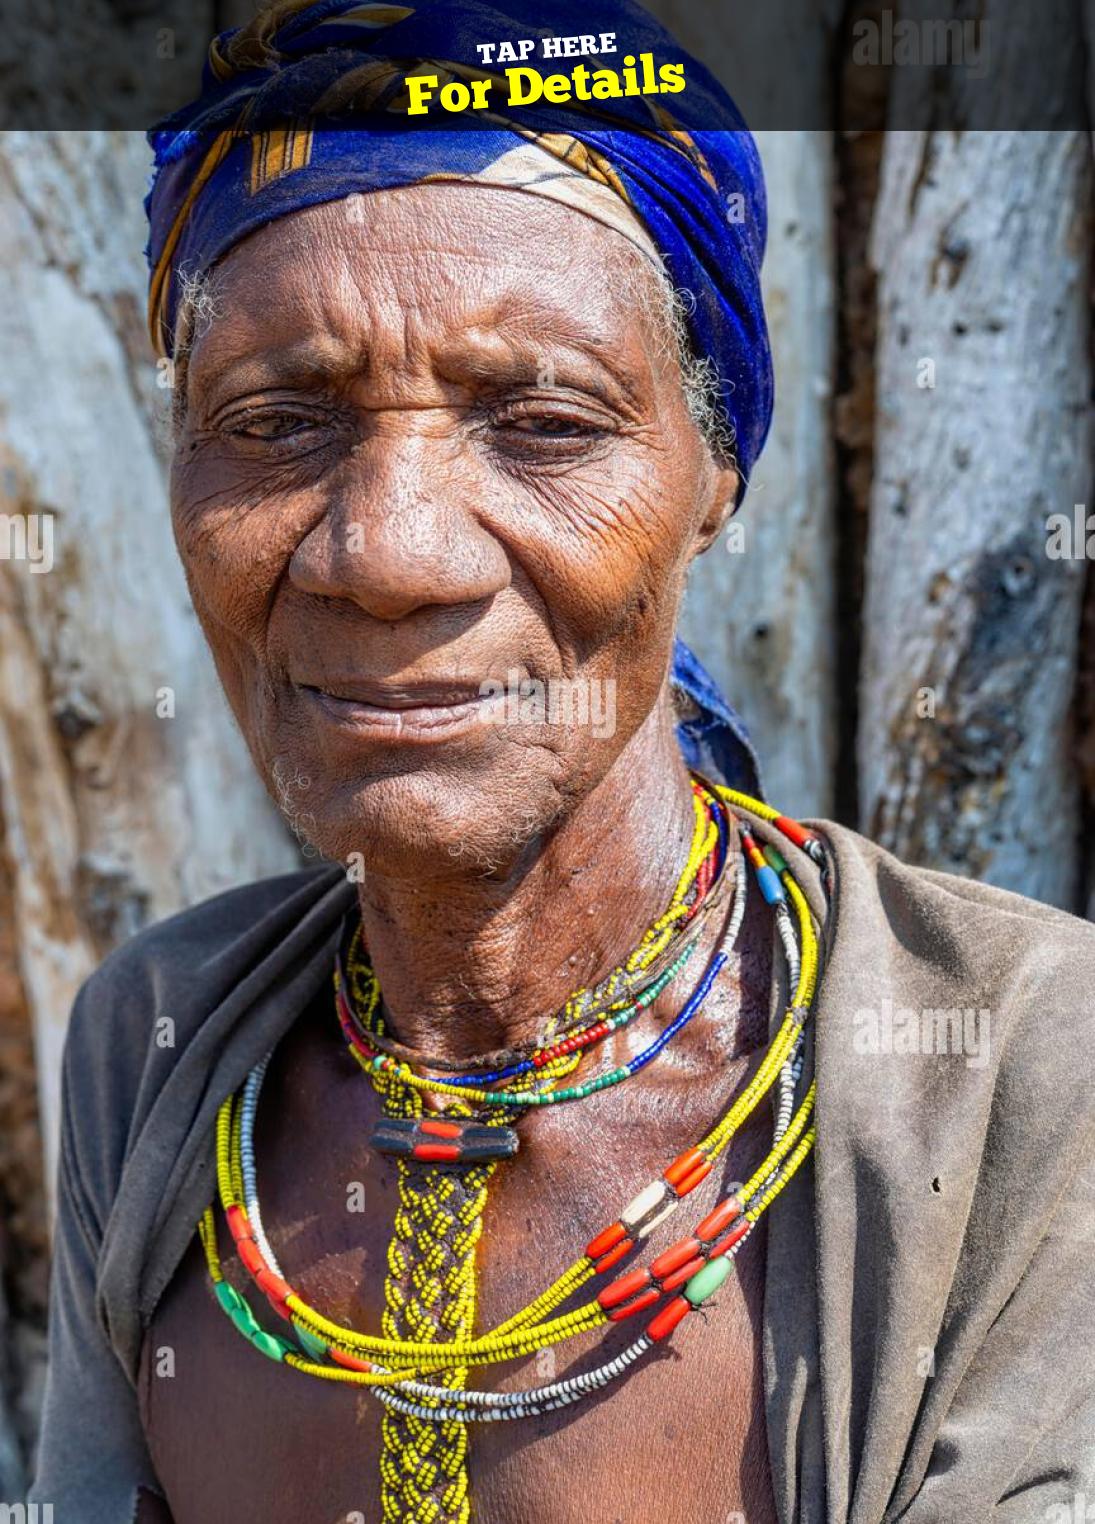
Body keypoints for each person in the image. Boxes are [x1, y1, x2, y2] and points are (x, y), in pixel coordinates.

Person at [29, 2, 1095, 1520]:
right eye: (272, 423)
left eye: (541, 422)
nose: (387, 553)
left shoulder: (1023, 1075)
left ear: (713, 473)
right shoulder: (154, 1055)